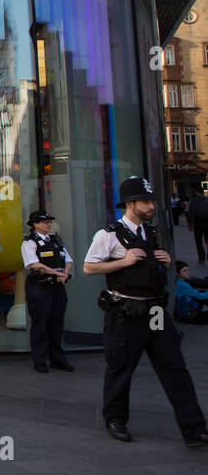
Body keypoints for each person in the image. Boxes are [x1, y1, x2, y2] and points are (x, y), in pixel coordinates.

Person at [83, 176, 208, 446]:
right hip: (126, 310)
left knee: (174, 368)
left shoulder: (151, 232)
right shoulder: (109, 235)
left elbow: (152, 267)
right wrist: (123, 261)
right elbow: (90, 267)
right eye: (146, 201)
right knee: (121, 368)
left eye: (152, 201)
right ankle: (115, 419)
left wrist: (164, 261)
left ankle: (194, 429)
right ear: (130, 204)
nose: (152, 206)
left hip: (155, 310)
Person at [21, 209, 74, 373]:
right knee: (40, 325)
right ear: (35, 224)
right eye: (45, 222)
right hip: (39, 287)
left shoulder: (56, 240)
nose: (48, 224)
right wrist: (55, 273)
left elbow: (68, 259)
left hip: (57, 287)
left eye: (49, 222)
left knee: (56, 324)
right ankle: (40, 360)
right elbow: (34, 264)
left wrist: (64, 273)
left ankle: (57, 359)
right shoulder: (29, 243)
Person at [191, 185, 208, 264]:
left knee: (198, 241)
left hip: (197, 222)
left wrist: (190, 223)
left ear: (196, 192)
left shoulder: (194, 200)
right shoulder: (206, 200)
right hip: (207, 221)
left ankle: (201, 257)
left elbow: (191, 212)